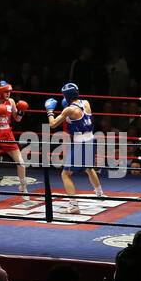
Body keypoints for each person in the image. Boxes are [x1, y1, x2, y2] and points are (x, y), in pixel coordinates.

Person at [45, 82, 104, 216]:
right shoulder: (86, 103)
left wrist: (49, 111)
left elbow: (53, 124)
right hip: (91, 138)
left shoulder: (69, 110)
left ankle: (74, 205)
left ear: (66, 96)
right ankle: (100, 194)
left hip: (81, 142)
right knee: (89, 168)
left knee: (65, 174)